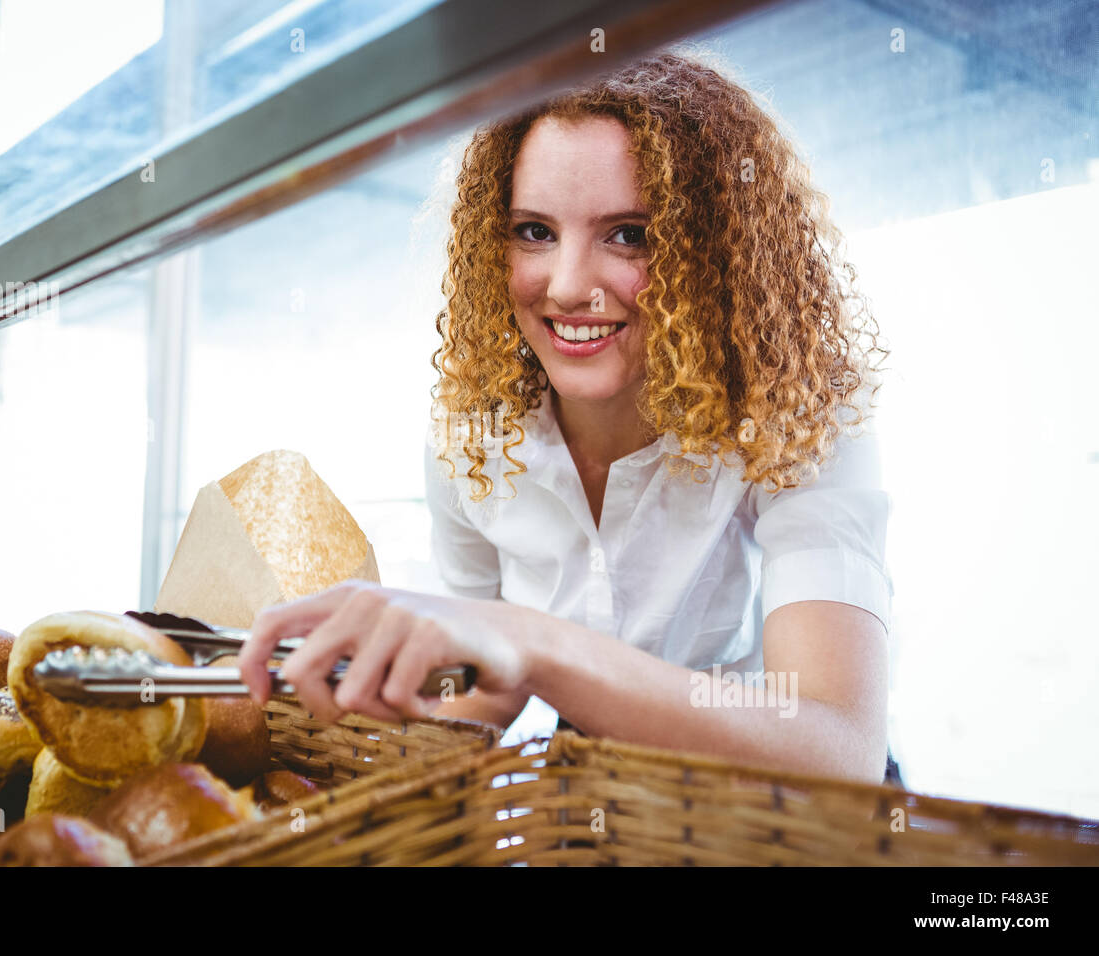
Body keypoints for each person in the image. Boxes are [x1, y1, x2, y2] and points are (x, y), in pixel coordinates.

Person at [241, 51, 898, 785]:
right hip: (596, 822)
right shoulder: (473, 437)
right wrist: (348, 706)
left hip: (767, 827)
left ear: (715, 252)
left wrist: (533, 643)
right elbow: (473, 703)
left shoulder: (796, 417)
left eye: (630, 234)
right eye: (534, 231)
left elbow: (840, 750)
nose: (567, 285)